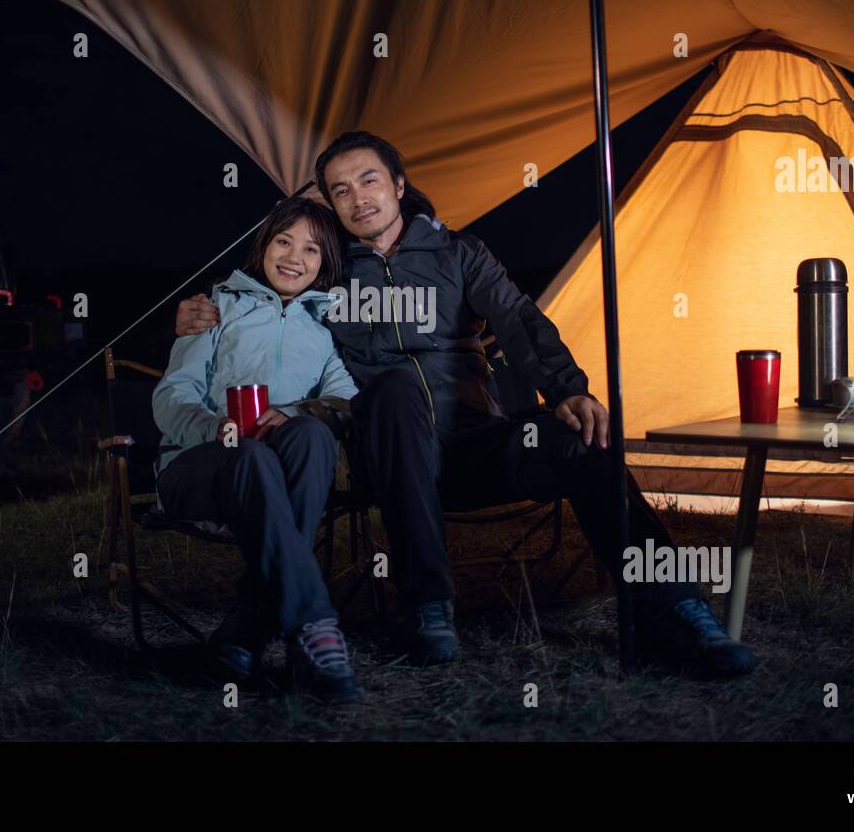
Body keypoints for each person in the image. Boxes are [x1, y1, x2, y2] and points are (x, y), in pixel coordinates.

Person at [176, 132, 757, 679]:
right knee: (396, 387)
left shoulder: (458, 254)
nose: (357, 198)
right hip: (388, 454)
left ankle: (670, 607)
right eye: (340, 189)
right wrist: (201, 314)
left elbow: (517, 318)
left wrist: (566, 389)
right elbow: (263, 298)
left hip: (474, 446)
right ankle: (427, 603)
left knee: (581, 436)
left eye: (369, 180)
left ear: (399, 185)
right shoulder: (329, 271)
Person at [153, 197, 363, 703]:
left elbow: (345, 400)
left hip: (274, 472)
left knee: (313, 434)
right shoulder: (216, 308)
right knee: (250, 454)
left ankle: (245, 628)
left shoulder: (323, 332)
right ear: (265, 246)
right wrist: (216, 429)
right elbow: (171, 395)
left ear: (324, 262)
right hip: (197, 467)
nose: (295, 257)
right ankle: (314, 625)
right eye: (284, 241)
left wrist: (295, 413)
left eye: (311, 249)